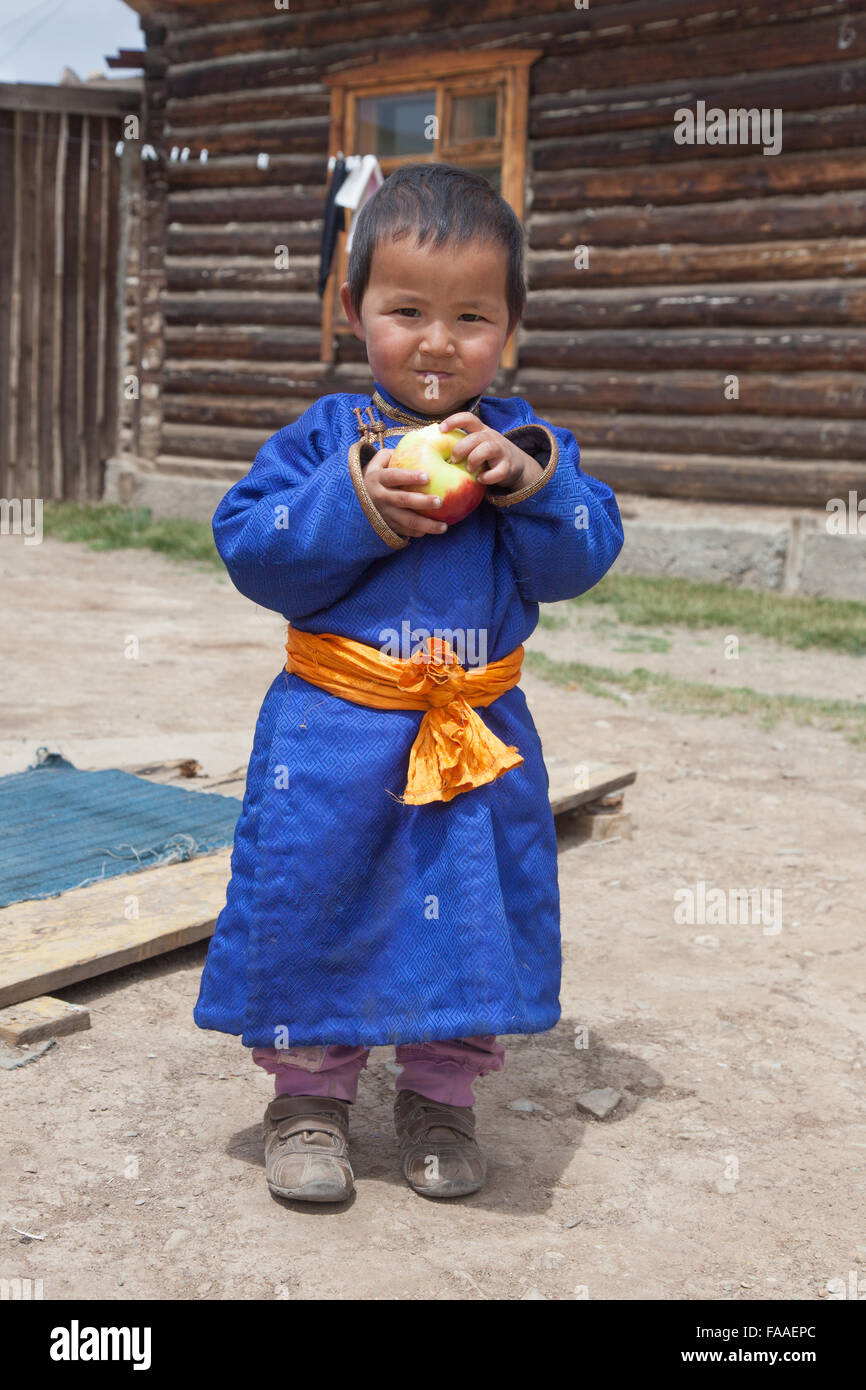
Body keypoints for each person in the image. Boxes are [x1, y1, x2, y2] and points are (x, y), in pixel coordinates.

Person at [193, 161, 625, 1204]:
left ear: (511, 327)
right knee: (317, 905)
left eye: (471, 315)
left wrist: (535, 490)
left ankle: (439, 1101)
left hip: (470, 736)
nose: (438, 341)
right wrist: (351, 502)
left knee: (465, 909)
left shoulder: (522, 446)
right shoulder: (321, 444)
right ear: (353, 312)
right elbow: (252, 547)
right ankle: (308, 1101)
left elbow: (581, 555)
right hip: (332, 739)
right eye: (406, 310)